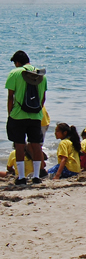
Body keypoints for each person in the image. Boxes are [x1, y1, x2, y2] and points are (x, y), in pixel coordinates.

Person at [5, 50, 47, 185]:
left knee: (19, 145)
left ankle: (22, 177)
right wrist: (37, 110)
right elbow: (43, 98)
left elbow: (10, 96)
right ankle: (36, 176)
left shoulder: (15, 73)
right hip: (36, 115)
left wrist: (10, 114)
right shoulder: (41, 75)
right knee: (36, 145)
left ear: (17, 62)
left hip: (18, 115)